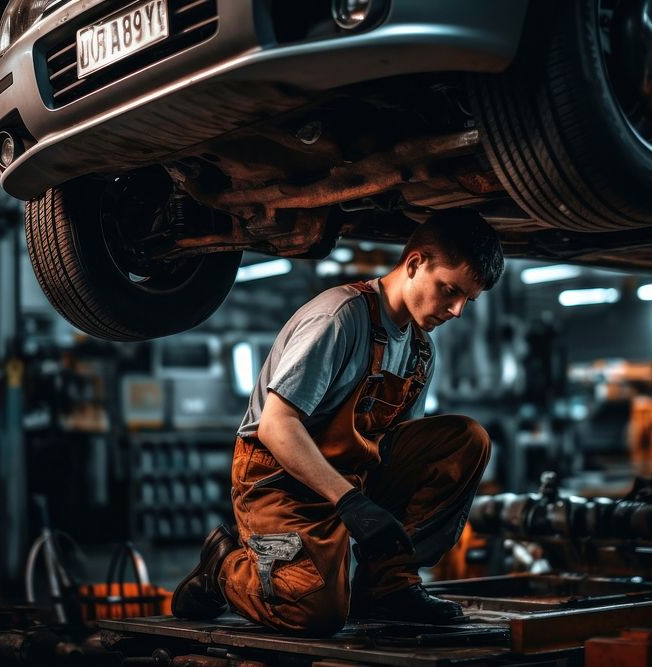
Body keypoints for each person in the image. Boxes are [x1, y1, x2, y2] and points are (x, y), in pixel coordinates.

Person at [172, 209, 505, 636]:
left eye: (467, 300)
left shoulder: (421, 350)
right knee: (315, 612)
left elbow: (401, 447)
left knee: (466, 440)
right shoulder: (339, 317)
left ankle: (388, 585)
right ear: (416, 263)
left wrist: (368, 504)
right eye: (449, 290)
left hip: (352, 478)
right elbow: (276, 426)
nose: (457, 310)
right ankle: (222, 567)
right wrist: (349, 502)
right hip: (279, 482)